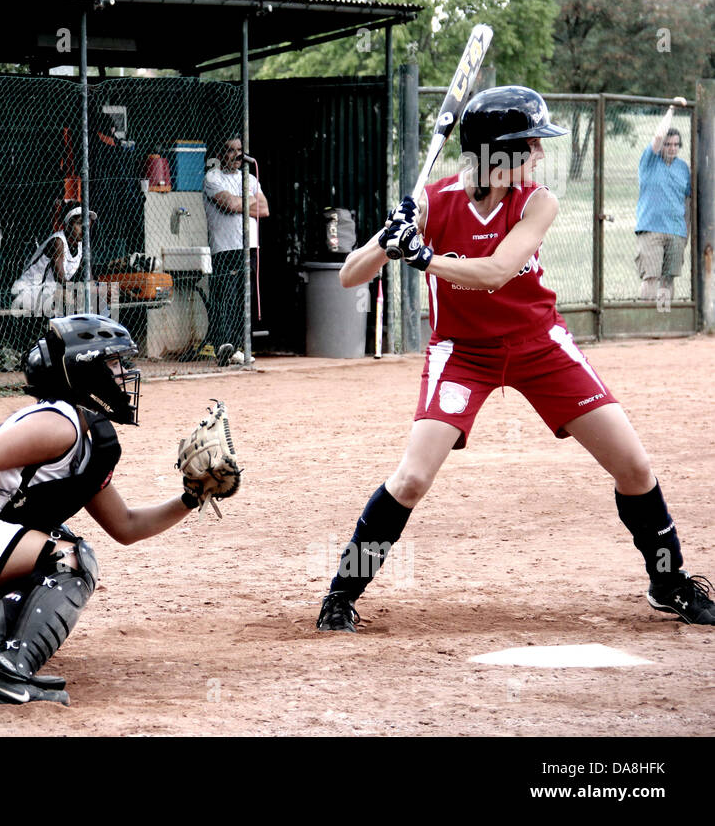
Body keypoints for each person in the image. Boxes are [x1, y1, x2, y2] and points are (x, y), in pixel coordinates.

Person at [315, 86, 714, 634]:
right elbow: (348, 275)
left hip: (538, 343)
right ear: (495, 152)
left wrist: (425, 256)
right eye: (531, 144)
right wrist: (391, 236)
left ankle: (669, 582)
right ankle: (341, 594)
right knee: (410, 479)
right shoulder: (433, 201)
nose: (540, 155)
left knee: (634, 467)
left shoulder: (537, 201)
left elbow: (496, 272)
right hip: (463, 352)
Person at [0, 313, 205, 707]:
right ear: (85, 371)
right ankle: (2, 675)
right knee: (69, 559)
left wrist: (192, 497)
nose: (125, 373)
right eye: (115, 363)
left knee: (49, 541)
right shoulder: (61, 424)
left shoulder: (84, 437)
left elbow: (127, 526)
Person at [202, 135, 268, 366]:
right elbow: (228, 204)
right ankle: (224, 347)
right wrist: (248, 202)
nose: (237, 155)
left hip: (249, 247)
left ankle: (240, 346)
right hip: (226, 247)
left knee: (244, 297)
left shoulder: (249, 178)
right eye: (231, 151)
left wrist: (240, 203)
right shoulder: (213, 177)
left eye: (240, 150)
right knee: (226, 298)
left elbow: (265, 209)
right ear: (220, 155)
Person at [635, 97, 691, 313]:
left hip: (676, 231)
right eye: (668, 144)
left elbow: (687, 202)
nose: (672, 148)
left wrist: (685, 232)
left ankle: (663, 318)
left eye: (676, 144)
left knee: (668, 280)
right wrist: (672, 109)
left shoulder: (683, 168)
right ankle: (646, 320)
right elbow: (658, 136)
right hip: (651, 229)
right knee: (651, 277)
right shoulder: (650, 161)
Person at [10, 206, 96, 316]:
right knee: (68, 297)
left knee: (95, 296)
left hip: (47, 291)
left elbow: (89, 277)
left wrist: (94, 290)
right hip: (26, 291)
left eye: (87, 226)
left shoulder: (83, 245)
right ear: (68, 226)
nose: (84, 230)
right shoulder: (58, 242)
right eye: (79, 224)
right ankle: (60, 331)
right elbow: (60, 279)